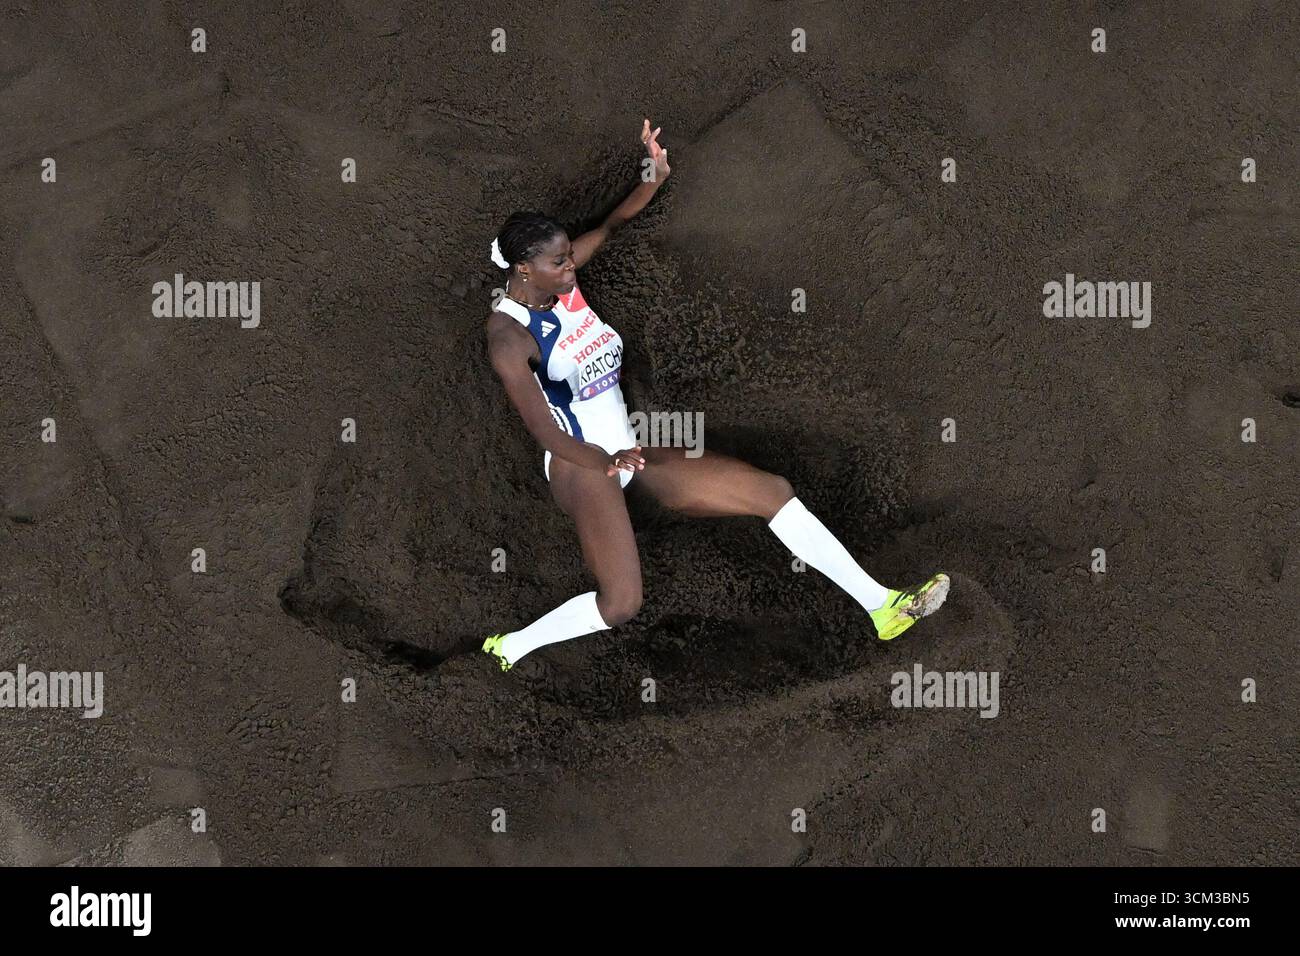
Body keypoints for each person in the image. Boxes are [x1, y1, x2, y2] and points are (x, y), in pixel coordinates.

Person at [481, 119, 948, 672]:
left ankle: (882, 606)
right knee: (623, 603)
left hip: (629, 447)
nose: (570, 268)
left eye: (568, 257)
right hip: (582, 465)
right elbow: (546, 432)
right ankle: (508, 647)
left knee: (770, 490)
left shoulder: (562, 281)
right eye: (558, 262)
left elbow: (610, 226)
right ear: (523, 268)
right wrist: (607, 459)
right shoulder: (508, 338)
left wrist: (651, 179)